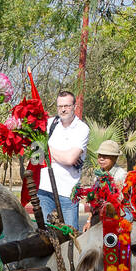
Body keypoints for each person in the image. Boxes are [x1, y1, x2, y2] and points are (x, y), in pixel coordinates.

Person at [39, 89, 90, 231]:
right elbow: (36, 153)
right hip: (44, 189)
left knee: (70, 236)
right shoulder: (50, 124)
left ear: (74, 106)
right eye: (60, 106)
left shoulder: (81, 128)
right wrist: (61, 156)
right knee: (46, 236)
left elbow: (70, 158)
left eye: (67, 106)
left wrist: (47, 151)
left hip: (67, 192)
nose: (63, 109)